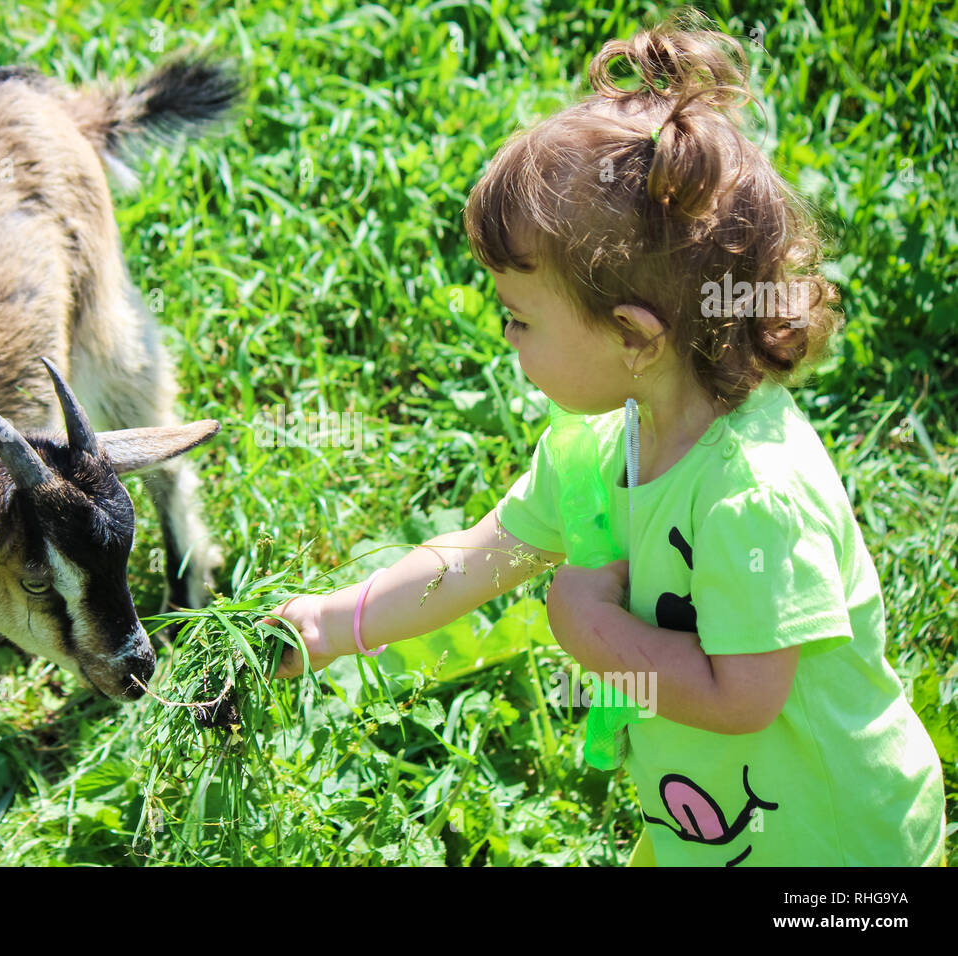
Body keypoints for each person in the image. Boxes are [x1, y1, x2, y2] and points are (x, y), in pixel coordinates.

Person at [263, 15, 946, 866]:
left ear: (633, 335)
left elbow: (744, 696)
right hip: (715, 831)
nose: (505, 338)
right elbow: (484, 553)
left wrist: (583, 626)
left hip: (832, 845)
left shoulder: (752, 495)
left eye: (519, 317)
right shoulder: (597, 448)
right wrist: (334, 625)